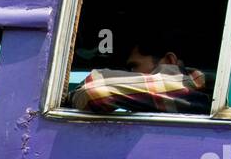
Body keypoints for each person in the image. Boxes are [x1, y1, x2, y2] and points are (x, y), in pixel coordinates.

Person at [70, 37, 212, 114]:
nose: (130, 76)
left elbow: (97, 89)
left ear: (169, 61)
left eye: (134, 67)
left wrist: (69, 97)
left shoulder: (193, 84)